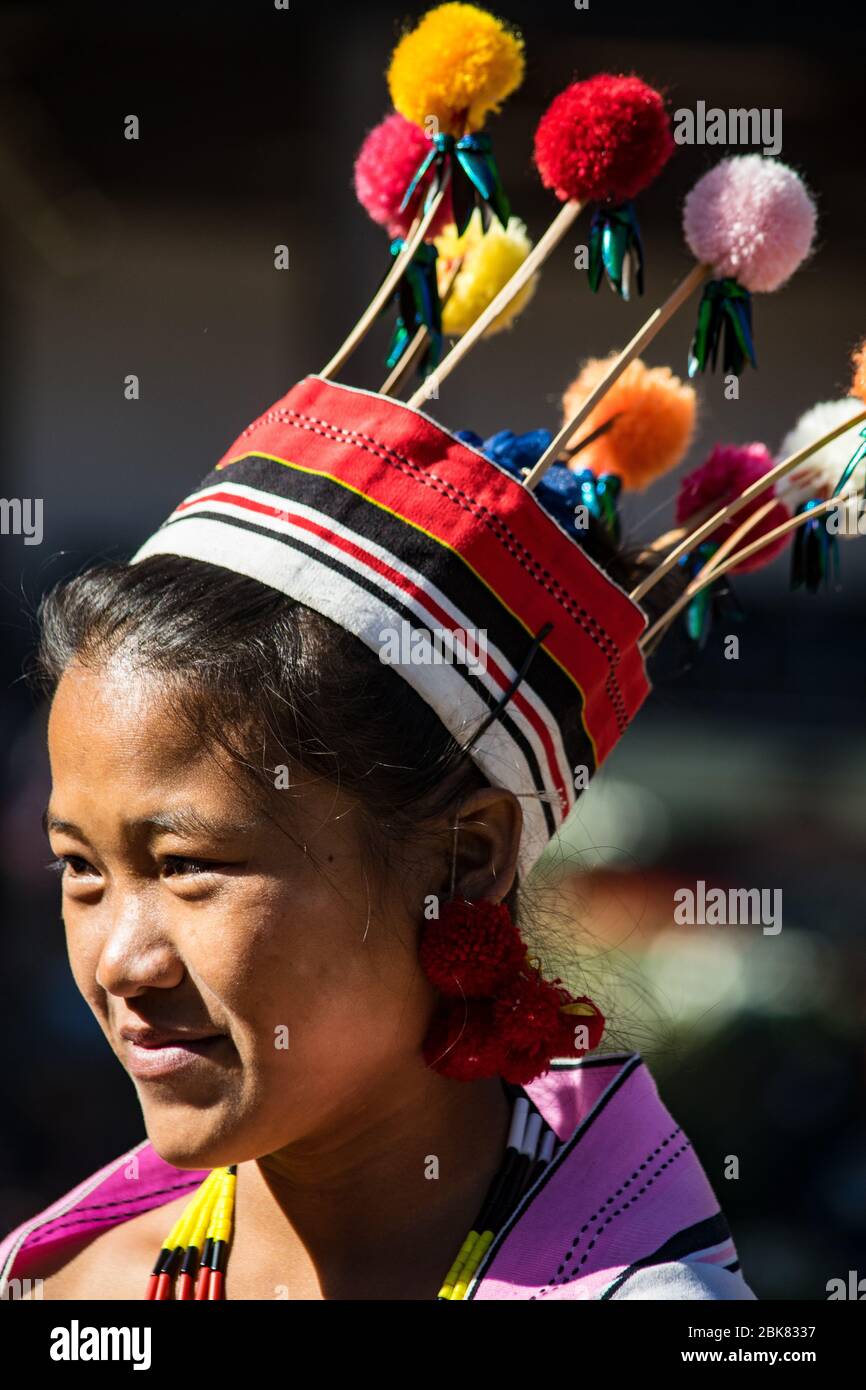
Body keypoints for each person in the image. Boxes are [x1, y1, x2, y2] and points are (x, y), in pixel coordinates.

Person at [0, 375, 755, 1300]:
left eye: (187, 865)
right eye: (80, 867)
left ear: (464, 861)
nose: (120, 962)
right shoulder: (67, 1288)